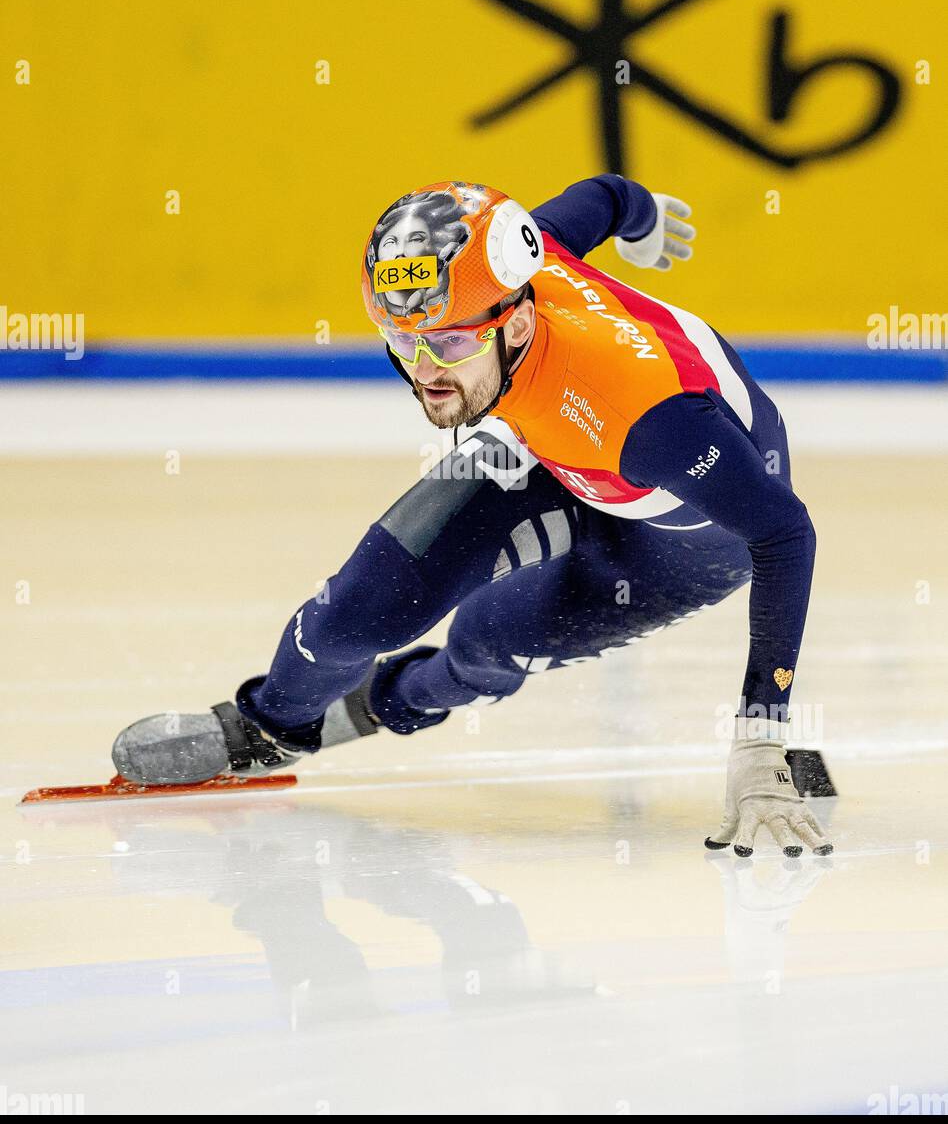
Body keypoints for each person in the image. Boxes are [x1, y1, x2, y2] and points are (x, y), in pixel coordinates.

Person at [113, 175, 832, 858]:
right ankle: (268, 726)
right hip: (544, 446)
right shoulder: (517, 259)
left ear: (516, 324)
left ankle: (383, 703)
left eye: (451, 344)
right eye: (403, 342)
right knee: (358, 613)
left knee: (484, 645)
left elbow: (784, 534)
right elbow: (606, 197)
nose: (426, 372)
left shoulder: (652, 414)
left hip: (681, 541)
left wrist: (760, 737)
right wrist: (644, 219)